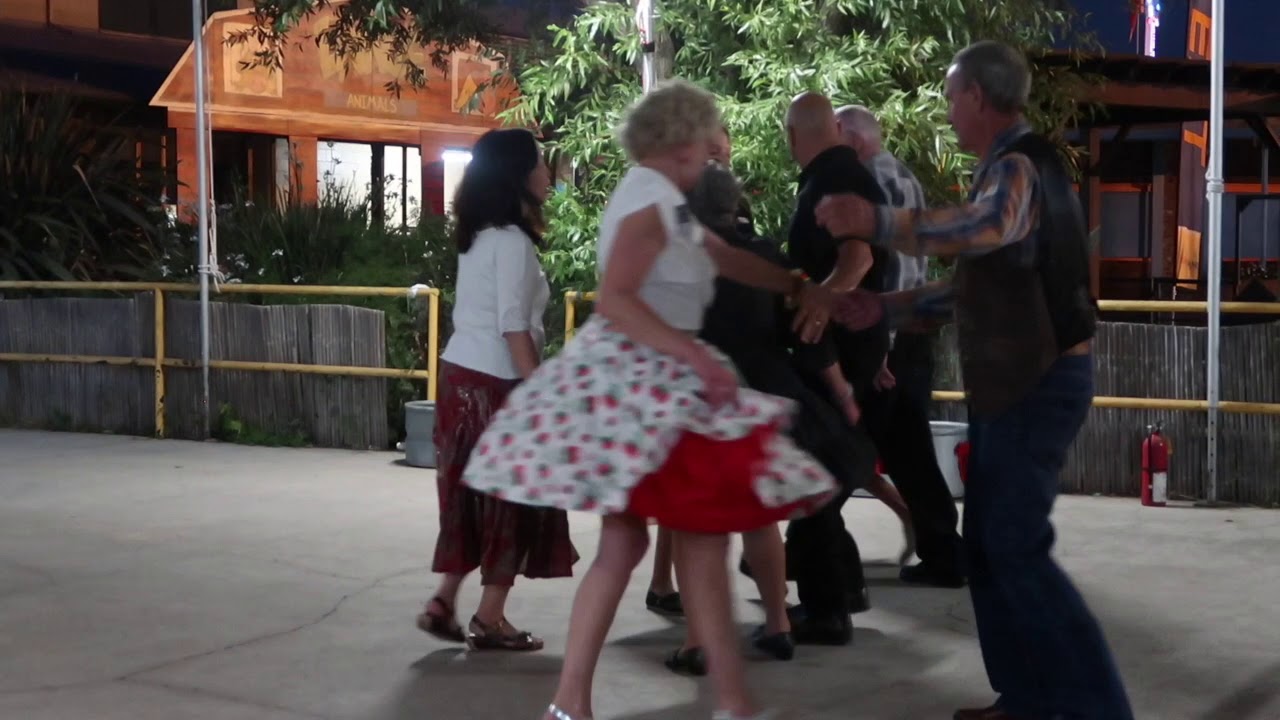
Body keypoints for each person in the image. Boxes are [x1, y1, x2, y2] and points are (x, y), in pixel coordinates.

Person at [462, 79, 840, 720]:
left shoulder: (662, 197)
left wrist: (797, 284)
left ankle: (581, 703)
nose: (715, 148)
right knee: (687, 540)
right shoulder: (648, 198)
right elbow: (616, 298)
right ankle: (719, 701)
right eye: (707, 136)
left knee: (644, 543)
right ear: (682, 141)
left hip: (649, 374)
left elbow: (723, 255)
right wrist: (694, 355)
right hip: (645, 378)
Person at [815, 41, 1134, 720]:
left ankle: (1096, 708)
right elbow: (973, 289)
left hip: (1038, 383)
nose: (948, 110)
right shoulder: (1008, 169)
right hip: (1017, 383)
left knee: (1016, 548)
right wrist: (885, 307)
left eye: (951, 97)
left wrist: (875, 221)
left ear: (978, 98)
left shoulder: (1018, 168)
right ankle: (1025, 698)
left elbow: (985, 230)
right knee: (990, 547)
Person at [666, 158, 876, 675]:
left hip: (702, 398)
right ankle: (779, 625)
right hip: (766, 395)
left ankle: (699, 641)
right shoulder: (765, 257)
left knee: (697, 525)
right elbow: (807, 332)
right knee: (760, 518)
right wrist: (840, 391)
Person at [417, 128, 578, 652]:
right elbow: (514, 326)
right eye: (540, 163)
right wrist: (540, 397)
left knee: (470, 498)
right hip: (495, 384)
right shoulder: (511, 242)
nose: (546, 172)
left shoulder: (479, 236)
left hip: (460, 377)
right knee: (515, 499)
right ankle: (489, 618)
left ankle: (444, 600)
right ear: (518, 174)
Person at [773, 90, 890, 645]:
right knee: (828, 474)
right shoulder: (838, 174)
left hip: (837, 357)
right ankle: (844, 588)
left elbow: (858, 257)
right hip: (845, 353)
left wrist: (822, 297)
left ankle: (827, 611)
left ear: (793, 136)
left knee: (817, 481)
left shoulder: (835, 179)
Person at [834, 104, 967, 587]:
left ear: (852, 137)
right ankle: (943, 553)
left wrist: (880, 349)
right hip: (909, 336)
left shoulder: (875, 181)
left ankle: (804, 550)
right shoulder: (901, 174)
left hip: (889, 338)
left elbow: (893, 269)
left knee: (843, 443)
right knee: (910, 452)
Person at [643, 124, 748, 621]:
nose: (718, 160)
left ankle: (667, 582)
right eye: (711, 152)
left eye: (722, 153)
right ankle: (681, 590)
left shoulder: (724, 201)